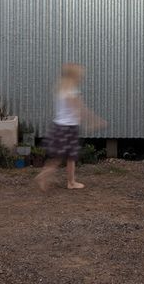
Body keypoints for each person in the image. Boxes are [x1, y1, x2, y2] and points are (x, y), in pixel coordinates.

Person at [37, 62, 105, 191]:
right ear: (75, 76)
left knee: (62, 157)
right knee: (69, 157)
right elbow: (80, 108)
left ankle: (66, 180)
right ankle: (66, 181)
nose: (82, 77)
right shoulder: (72, 91)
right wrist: (95, 121)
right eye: (80, 75)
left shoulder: (61, 89)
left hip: (59, 126)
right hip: (68, 128)